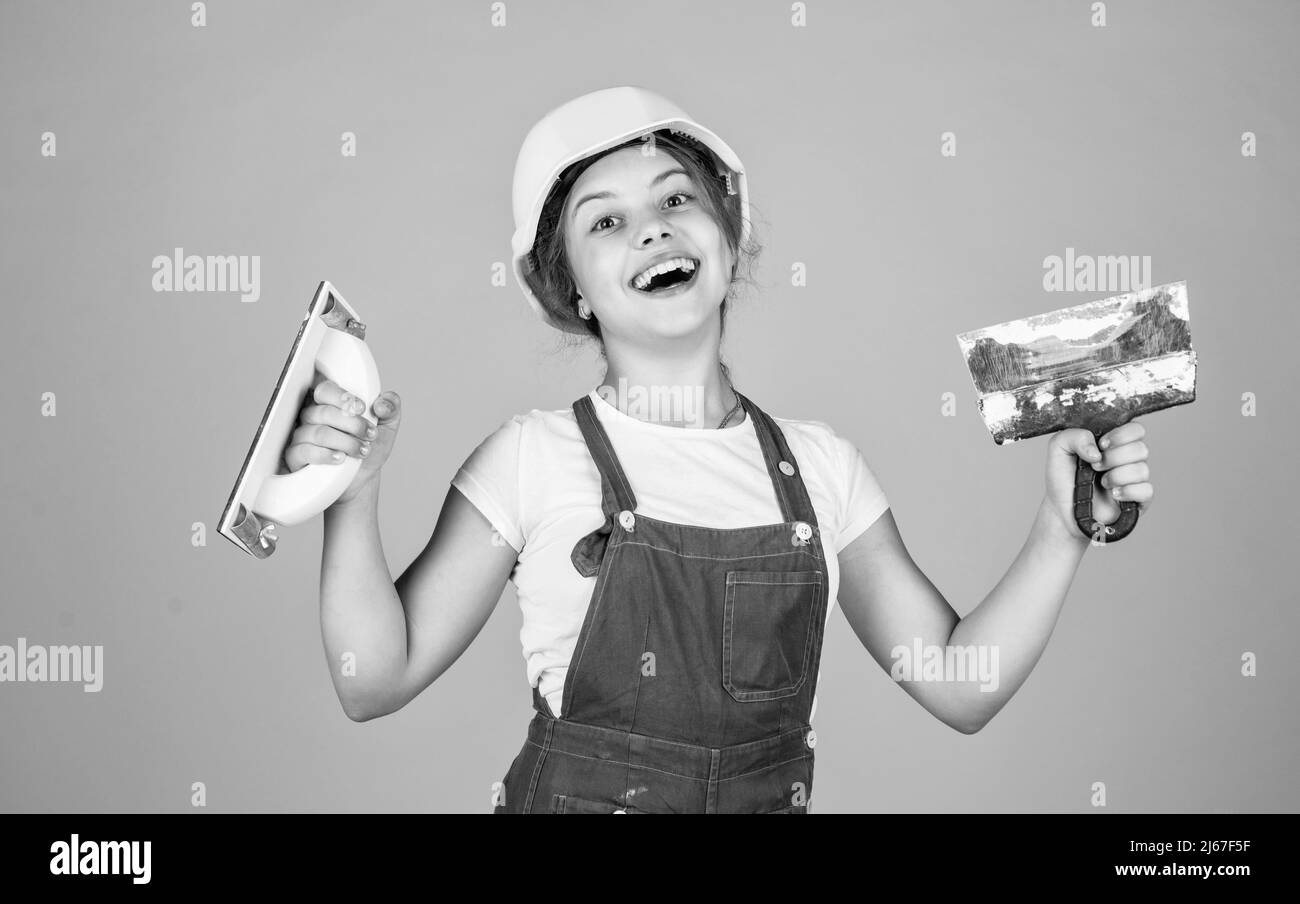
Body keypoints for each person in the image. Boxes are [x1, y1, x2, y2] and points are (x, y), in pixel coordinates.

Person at [290, 86, 1155, 814]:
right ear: (573, 291)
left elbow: (961, 689)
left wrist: (1061, 526)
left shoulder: (823, 470)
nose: (654, 230)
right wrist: (352, 495)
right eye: (607, 222)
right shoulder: (531, 460)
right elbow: (375, 680)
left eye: (677, 199)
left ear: (726, 236)